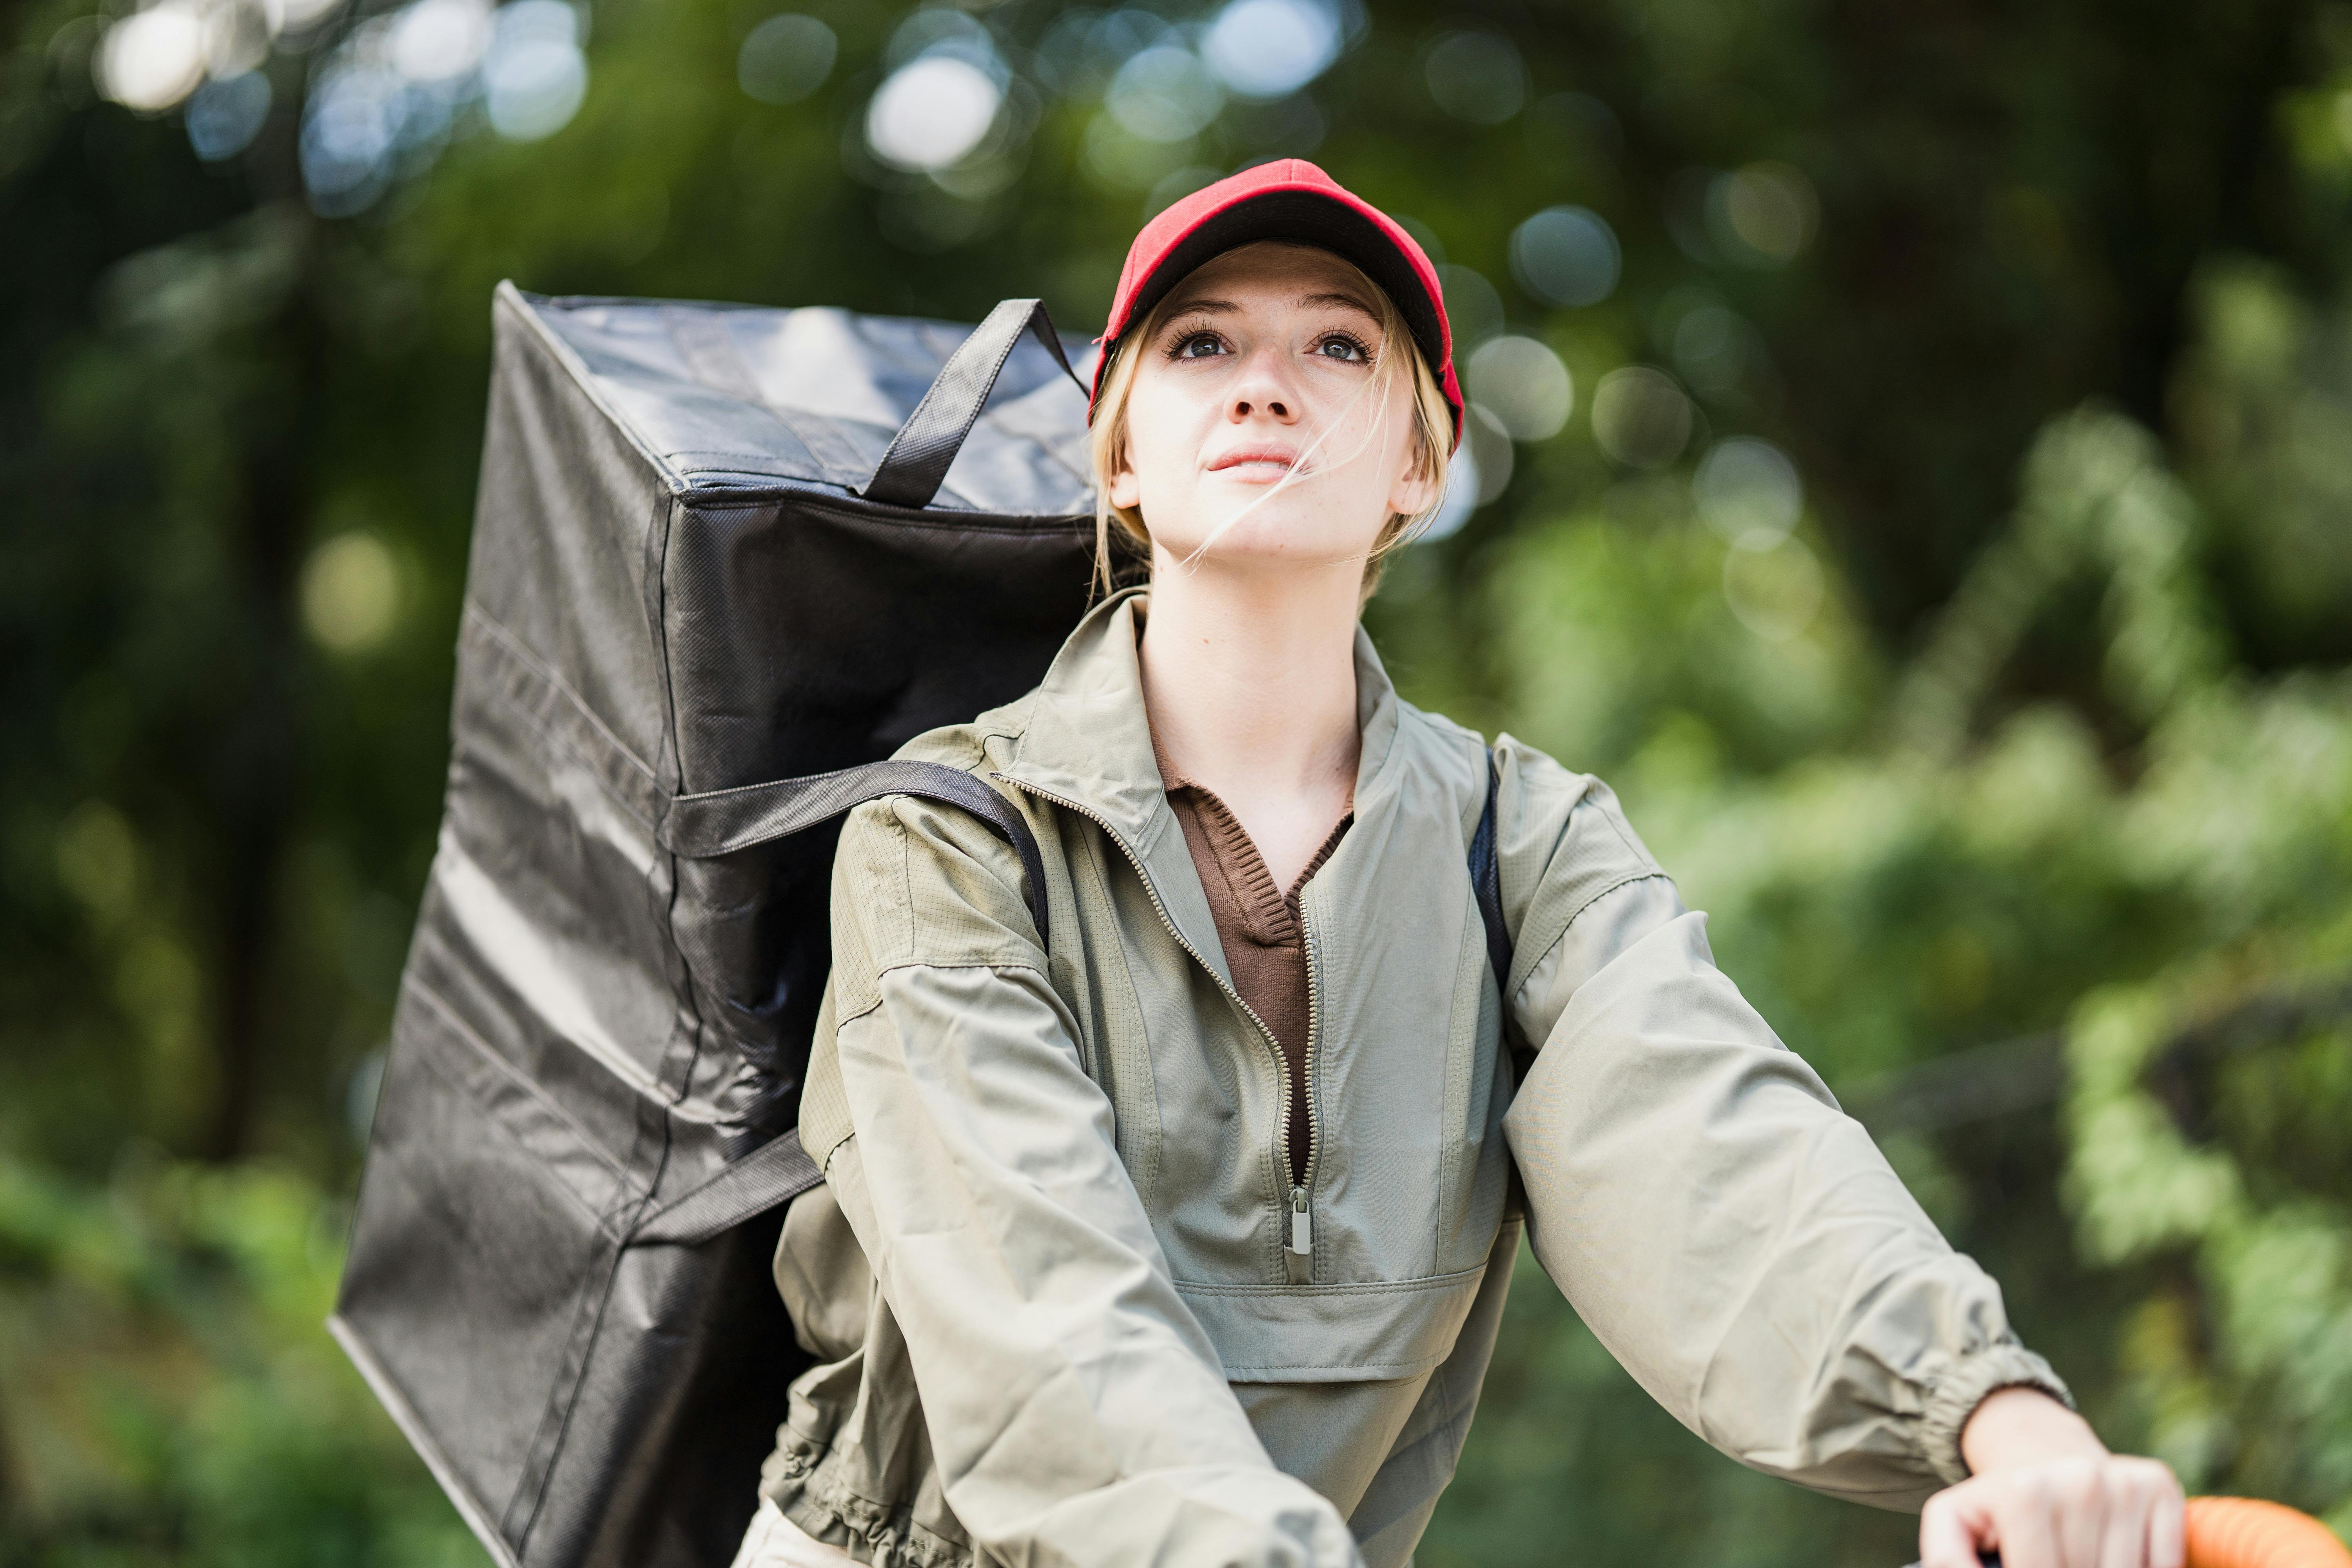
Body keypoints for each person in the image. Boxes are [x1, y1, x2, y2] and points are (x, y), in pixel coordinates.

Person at [733, 161, 2185, 1568]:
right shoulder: (950, 840)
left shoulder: (1524, 845)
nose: (1263, 379)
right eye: (1200, 342)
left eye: (1339, 343)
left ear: (1422, 464)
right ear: (1117, 452)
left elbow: (1711, 1149)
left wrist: (1996, 1415)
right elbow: (1040, 1316)